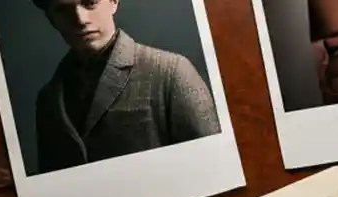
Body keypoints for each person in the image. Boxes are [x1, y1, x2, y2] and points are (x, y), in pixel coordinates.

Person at [31, 0, 221, 174]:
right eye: (63, 10)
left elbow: (214, 165)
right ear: (50, 18)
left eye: (90, 3)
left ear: (113, 2)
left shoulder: (171, 71)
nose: (81, 20)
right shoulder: (49, 99)